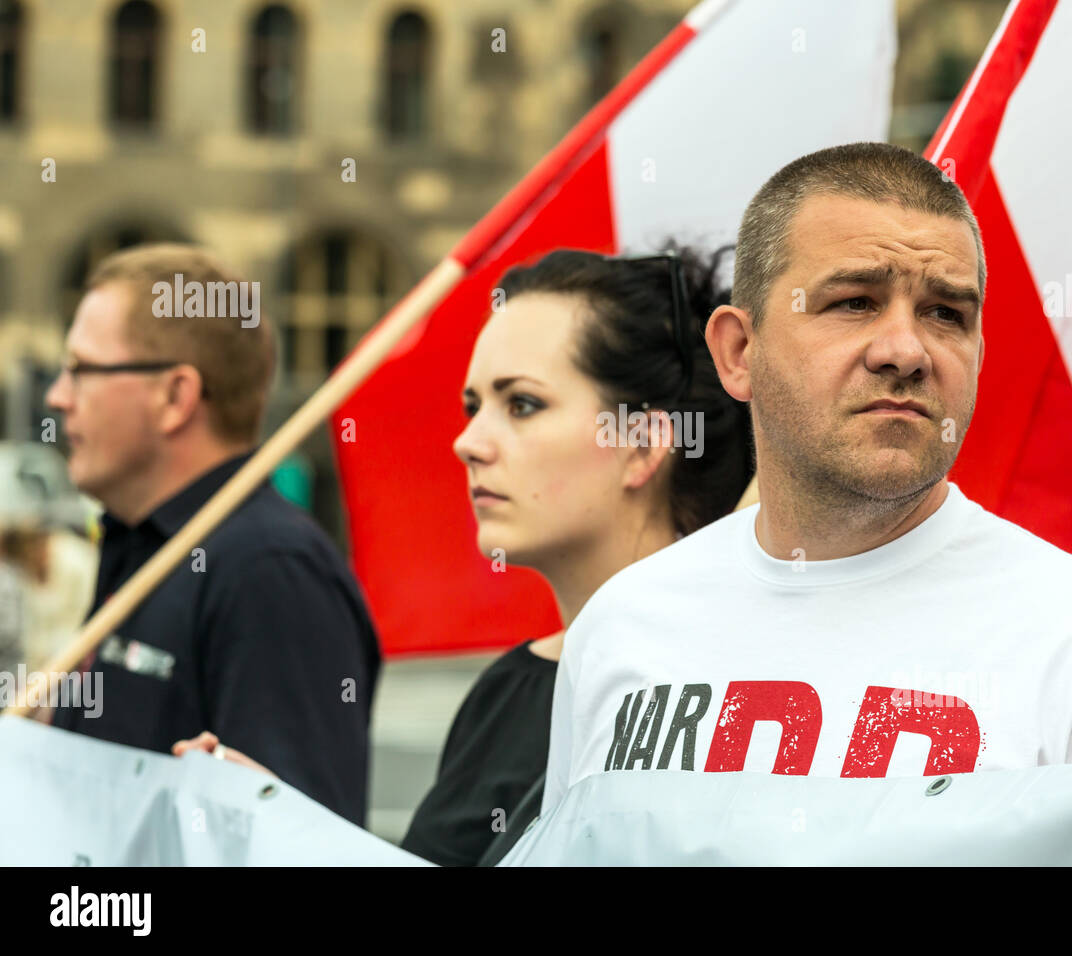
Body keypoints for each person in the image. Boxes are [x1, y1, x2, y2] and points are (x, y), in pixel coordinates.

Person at [542, 142, 1072, 815]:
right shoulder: (620, 627)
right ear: (738, 351)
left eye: (945, 314)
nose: (906, 350)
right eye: (854, 302)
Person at [180, 245, 755, 864]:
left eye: (523, 404)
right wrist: (285, 834)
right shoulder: (507, 691)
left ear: (642, 444)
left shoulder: (725, 696)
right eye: (473, 407)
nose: (467, 442)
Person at [45, 243, 380, 826]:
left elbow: (301, 843)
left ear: (175, 396)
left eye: (83, 369)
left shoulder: (271, 570)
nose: (58, 396)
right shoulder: (140, 541)